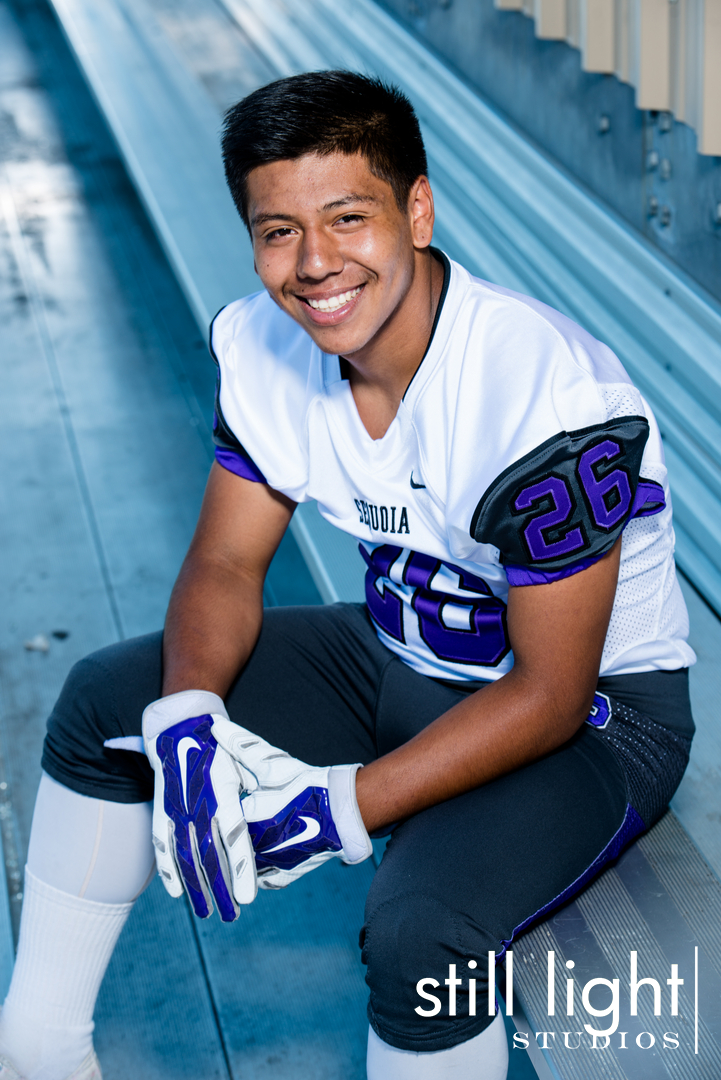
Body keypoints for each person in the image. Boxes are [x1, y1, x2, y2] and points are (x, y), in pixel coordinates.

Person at [0, 71, 696, 1080]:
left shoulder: (540, 393)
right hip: (394, 655)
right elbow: (228, 561)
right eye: (277, 230)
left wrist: (342, 804)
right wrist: (188, 714)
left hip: (590, 722)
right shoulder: (264, 343)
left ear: (416, 210)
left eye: (347, 217)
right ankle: (34, 1049)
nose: (314, 263)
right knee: (111, 702)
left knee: (421, 938)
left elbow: (550, 694)